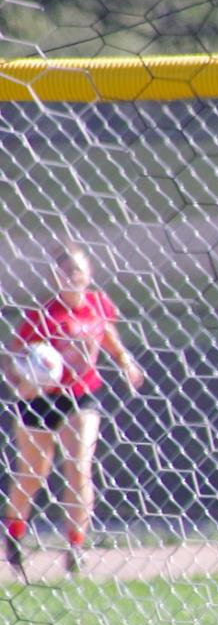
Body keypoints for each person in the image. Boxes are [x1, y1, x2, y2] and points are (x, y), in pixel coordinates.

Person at [6, 243, 145, 577]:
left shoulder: (98, 305)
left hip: (81, 395)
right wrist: (24, 383)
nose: (71, 276)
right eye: (64, 270)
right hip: (40, 399)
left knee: (79, 464)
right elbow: (12, 357)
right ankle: (13, 536)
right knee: (34, 472)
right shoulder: (42, 315)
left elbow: (107, 334)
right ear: (55, 276)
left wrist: (125, 360)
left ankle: (75, 546)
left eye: (77, 270)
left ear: (88, 274)